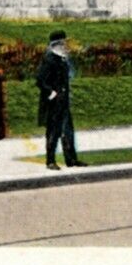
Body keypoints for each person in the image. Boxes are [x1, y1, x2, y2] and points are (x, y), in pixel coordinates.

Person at [36, 30, 84, 170]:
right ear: (56, 45)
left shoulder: (62, 60)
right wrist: (51, 93)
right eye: (63, 43)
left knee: (68, 131)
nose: (66, 46)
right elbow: (40, 80)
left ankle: (71, 159)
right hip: (53, 103)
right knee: (53, 132)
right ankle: (50, 161)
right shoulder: (49, 60)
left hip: (63, 103)